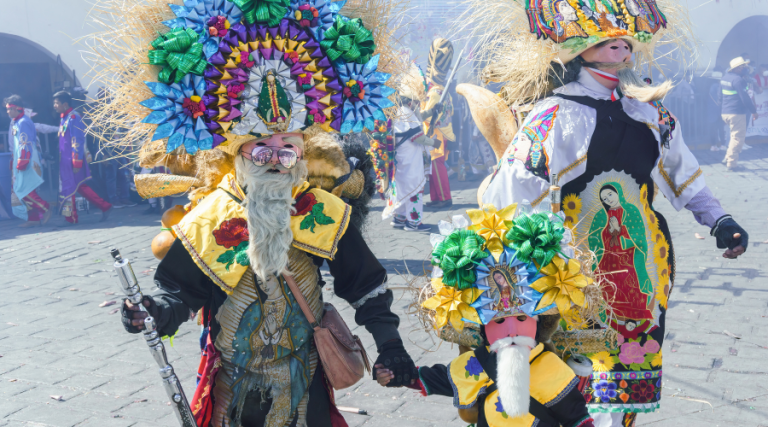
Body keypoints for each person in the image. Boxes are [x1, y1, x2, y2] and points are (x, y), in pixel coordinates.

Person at [94, 1, 416, 425]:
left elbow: (366, 285)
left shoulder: (321, 211)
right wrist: (150, 312)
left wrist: (390, 345)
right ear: (238, 150)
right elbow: (179, 295)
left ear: (302, 149)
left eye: (287, 146)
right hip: (232, 385)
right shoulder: (211, 217)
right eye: (261, 145)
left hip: (307, 381)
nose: (275, 159)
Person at [464, 1, 749, 425]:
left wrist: (719, 220)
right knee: (580, 387)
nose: (620, 46)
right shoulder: (552, 118)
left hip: (642, 272)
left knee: (627, 385)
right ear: (577, 49)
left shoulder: (650, 113)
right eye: (606, 39)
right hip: (575, 276)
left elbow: (682, 171)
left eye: (625, 39)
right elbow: (508, 200)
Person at [383, 63, 435, 231]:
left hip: (405, 157)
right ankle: (413, 222)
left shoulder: (404, 110)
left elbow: (418, 119)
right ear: (410, 101)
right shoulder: (405, 112)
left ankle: (400, 218)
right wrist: (434, 143)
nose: (418, 105)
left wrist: (433, 111)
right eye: (417, 102)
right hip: (409, 158)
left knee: (402, 187)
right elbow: (417, 136)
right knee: (414, 188)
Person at [53, 91, 112, 223]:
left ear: (65, 104)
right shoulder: (65, 117)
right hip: (65, 161)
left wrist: (77, 162)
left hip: (72, 161)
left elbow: (78, 140)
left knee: (69, 188)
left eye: (56, 103)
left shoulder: (74, 117)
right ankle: (104, 206)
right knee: (79, 187)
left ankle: (71, 218)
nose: (54, 106)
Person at [4, 95, 51, 227]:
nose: (7, 112)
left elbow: (26, 143)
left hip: (27, 160)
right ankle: (34, 218)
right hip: (21, 159)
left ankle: (45, 207)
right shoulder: (18, 121)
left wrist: (22, 161)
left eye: (9, 109)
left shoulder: (23, 122)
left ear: (17, 108)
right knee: (25, 188)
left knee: (23, 189)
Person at [422, 38, 456, 209]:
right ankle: (436, 198)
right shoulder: (441, 90)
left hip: (435, 134)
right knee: (434, 166)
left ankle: (444, 198)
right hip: (439, 133)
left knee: (437, 165)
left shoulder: (435, 92)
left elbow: (427, 117)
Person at [721, 57, 758, 171]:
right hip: (736, 113)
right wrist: (754, 111)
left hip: (726, 112)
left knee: (733, 136)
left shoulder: (725, 78)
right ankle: (732, 164)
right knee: (738, 139)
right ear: (736, 69)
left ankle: (727, 158)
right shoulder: (738, 80)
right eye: (743, 67)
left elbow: (719, 96)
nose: (745, 68)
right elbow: (745, 98)